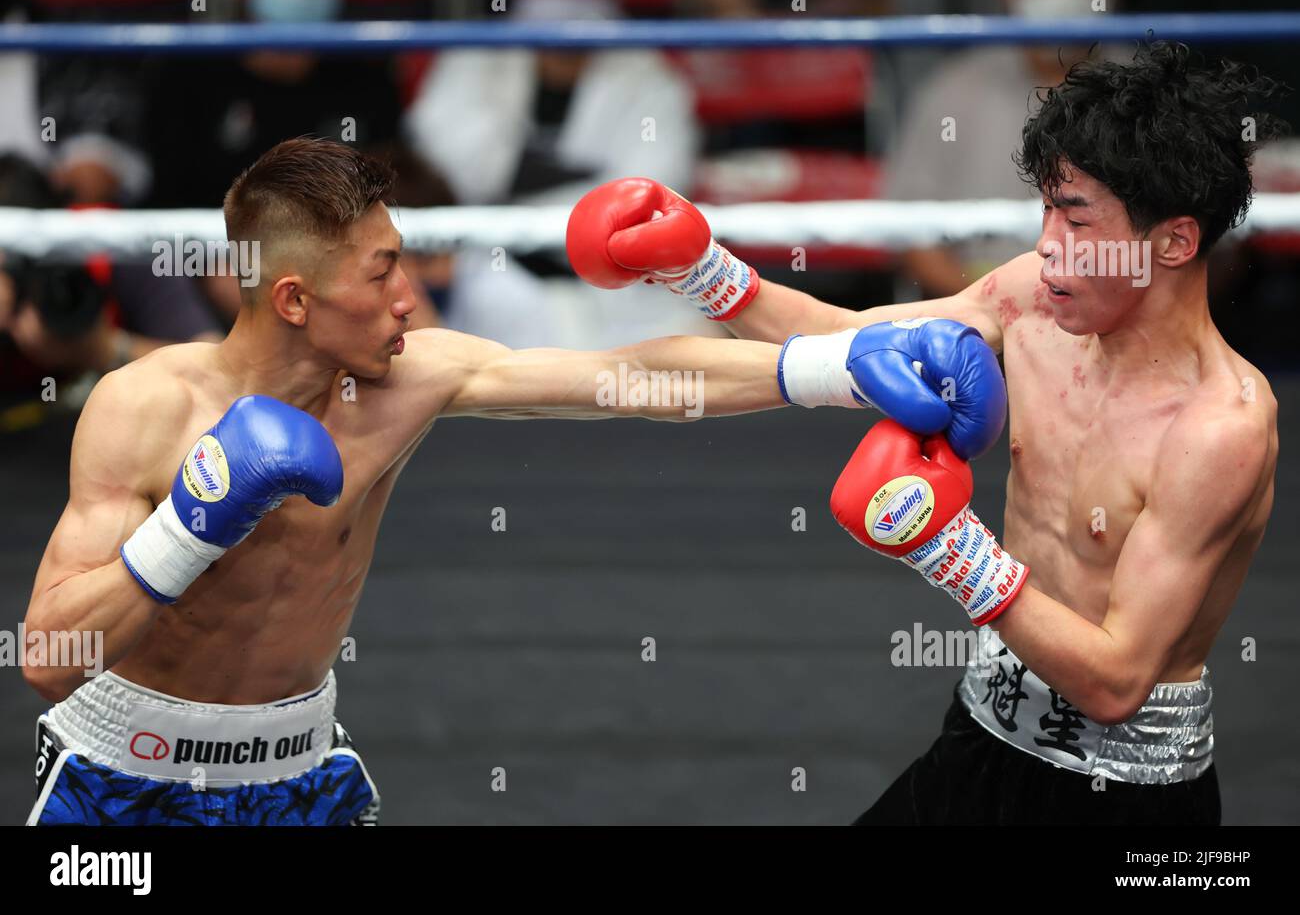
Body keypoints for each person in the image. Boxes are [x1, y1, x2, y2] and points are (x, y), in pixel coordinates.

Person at [22, 137, 1005, 825]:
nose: (412, 294)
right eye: (380, 273)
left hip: (295, 774)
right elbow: (48, 654)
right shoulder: (143, 407)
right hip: (122, 780)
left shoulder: (410, 378)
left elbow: (626, 383)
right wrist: (190, 528)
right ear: (292, 297)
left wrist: (840, 366)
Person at [569, 42, 1281, 824]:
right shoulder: (1037, 299)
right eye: (1046, 209)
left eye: (1076, 220)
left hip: (1123, 799)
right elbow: (855, 338)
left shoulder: (1221, 428)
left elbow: (1116, 682)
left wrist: (948, 546)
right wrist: (703, 268)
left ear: (1174, 242)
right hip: (981, 736)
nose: (1047, 244)